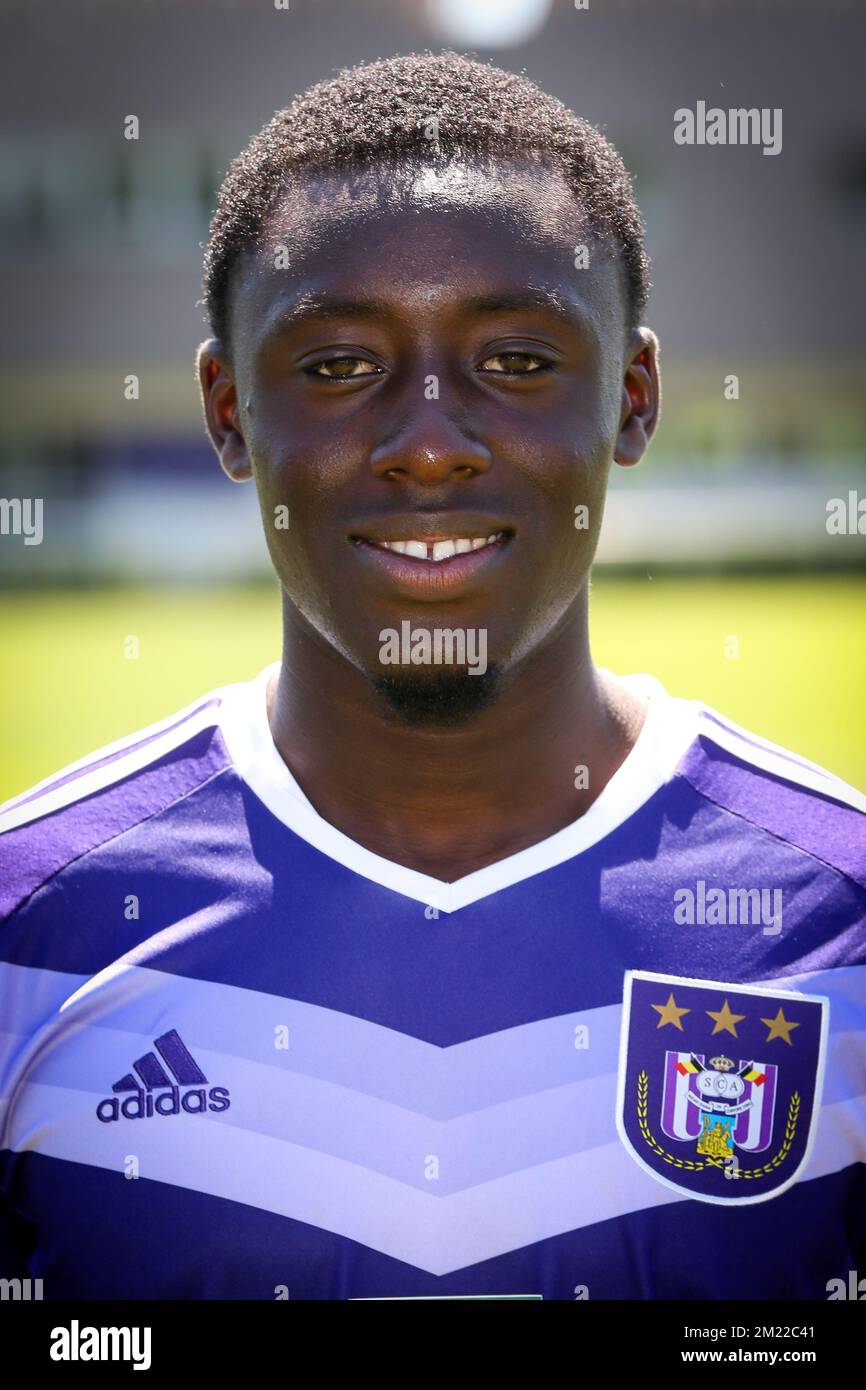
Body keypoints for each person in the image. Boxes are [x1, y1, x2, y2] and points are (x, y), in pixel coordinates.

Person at [1, 52, 863, 1300]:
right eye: (339, 364)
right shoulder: (35, 923)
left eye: (514, 360)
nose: (426, 443)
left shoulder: (835, 919)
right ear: (229, 413)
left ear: (630, 398)